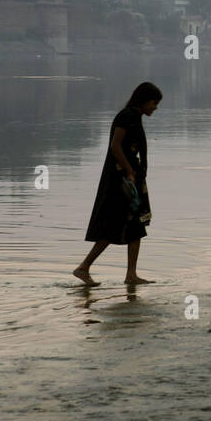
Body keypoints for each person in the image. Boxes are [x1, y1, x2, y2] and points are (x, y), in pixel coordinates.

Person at [74, 81, 162, 286]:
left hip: (131, 179)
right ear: (144, 100)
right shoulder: (126, 116)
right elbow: (115, 146)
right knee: (112, 226)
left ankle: (131, 274)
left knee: (136, 225)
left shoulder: (135, 116)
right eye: (154, 103)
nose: (155, 107)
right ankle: (83, 267)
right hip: (121, 181)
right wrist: (130, 172)